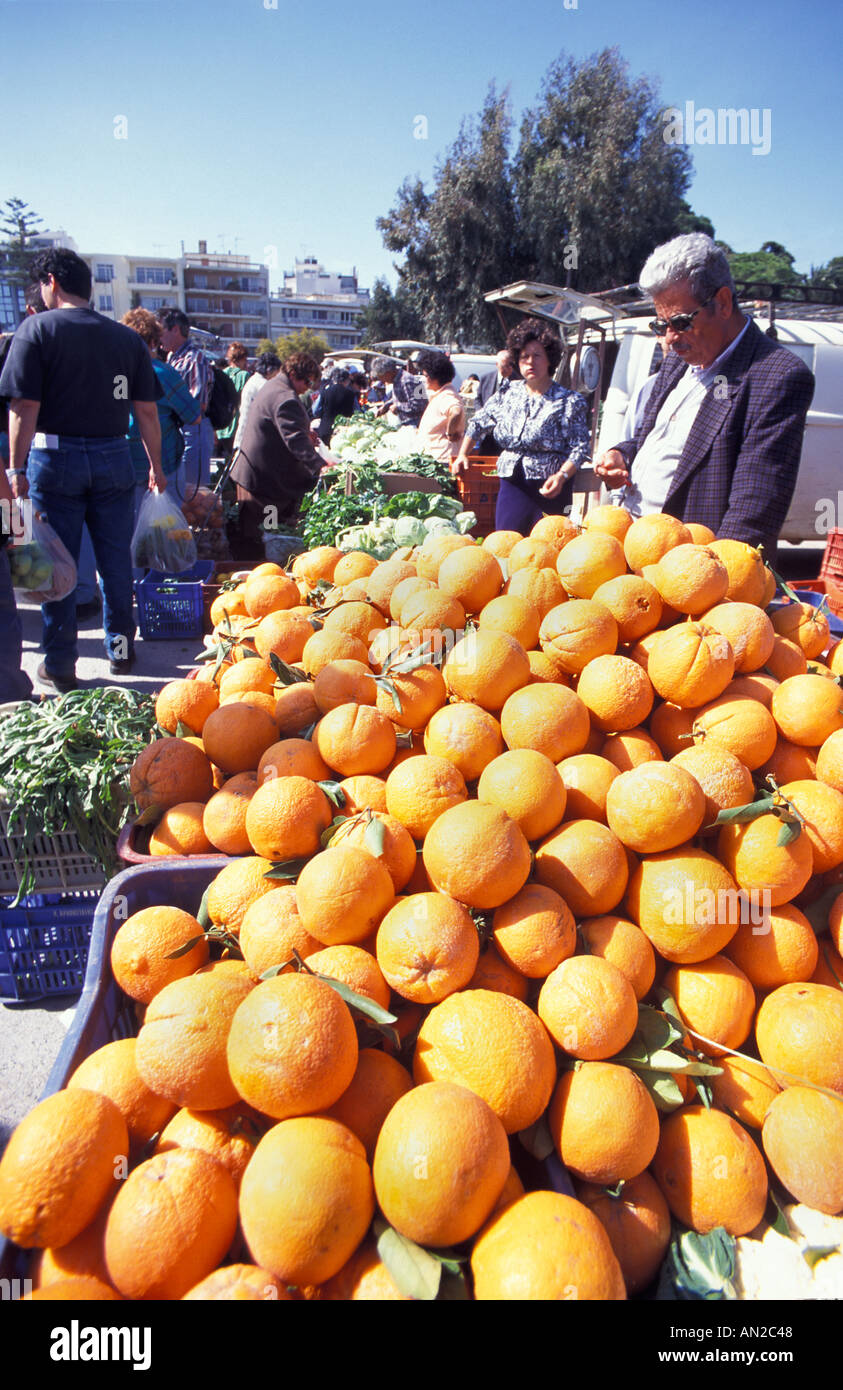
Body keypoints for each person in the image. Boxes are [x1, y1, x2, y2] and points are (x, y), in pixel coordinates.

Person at [0, 247, 165, 690]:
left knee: (54, 563)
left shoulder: (35, 330)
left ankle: (59, 666)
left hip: (55, 460)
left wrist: (14, 472)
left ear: (51, 281)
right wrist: (157, 468)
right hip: (114, 455)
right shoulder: (125, 339)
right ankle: (121, 652)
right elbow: (146, 411)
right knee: (114, 561)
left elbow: (24, 405)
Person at [595, 233, 816, 558]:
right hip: (632, 556)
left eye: (681, 322)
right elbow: (652, 440)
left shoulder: (777, 377)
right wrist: (623, 455)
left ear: (723, 303)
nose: (670, 339)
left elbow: (752, 516)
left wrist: (705, 589)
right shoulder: (679, 359)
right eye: (661, 325)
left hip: (689, 574)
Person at [452, 318, 590, 535]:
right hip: (512, 485)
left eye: (537, 355)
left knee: (549, 548)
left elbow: (580, 448)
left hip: (552, 489)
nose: (530, 362)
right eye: (524, 356)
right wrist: (463, 454)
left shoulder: (569, 401)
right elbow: (479, 422)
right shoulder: (507, 393)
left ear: (549, 360)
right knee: (507, 543)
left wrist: (562, 477)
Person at [229, 353, 323, 558]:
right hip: (264, 486)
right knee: (267, 533)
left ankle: (257, 565)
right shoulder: (285, 397)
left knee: (262, 533)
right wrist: (320, 465)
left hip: (258, 477)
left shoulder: (274, 387)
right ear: (292, 374)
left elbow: (285, 429)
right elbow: (294, 438)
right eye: (306, 381)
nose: (308, 387)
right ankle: (258, 571)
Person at [121, 309, 200, 512]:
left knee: (132, 531)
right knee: (165, 530)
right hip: (162, 464)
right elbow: (194, 416)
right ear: (154, 341)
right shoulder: (163, 374)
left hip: (126, 464)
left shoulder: (118, 375)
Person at [158, 308, 215, 500]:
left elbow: (199, 405)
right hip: (178, 432)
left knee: (194, 496)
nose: (158, 337)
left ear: (175, 330)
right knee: (178, 493)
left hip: (193, 430)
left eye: (161, 330)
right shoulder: (171, 359)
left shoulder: (195, 359)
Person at [415, 351, 466, 464]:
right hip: (437, 457)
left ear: (435, 377)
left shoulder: (447, 395)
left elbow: (456, 412)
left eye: (426, 375)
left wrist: (450, 433)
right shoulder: (441, 393)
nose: (424, 379)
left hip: (442, 459)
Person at [233, 351, 281, 453]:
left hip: (244, 435)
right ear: (269, 370)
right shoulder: (263, 385)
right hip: (252, 439)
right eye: (277, 372)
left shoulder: (252, 381)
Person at [215, 342, 250, 459]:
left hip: (221, 427)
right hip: (236, 425)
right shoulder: (244, 375)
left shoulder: (221, 374)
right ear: (242, 358)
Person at [371, 356, 427, 427]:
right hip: (406, 424)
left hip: (415, 425)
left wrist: (397, 407)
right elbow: (402, 397)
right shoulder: (397, 380)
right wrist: (387, 406)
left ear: (388, 372)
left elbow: (419, 405)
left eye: (381, 377)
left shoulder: (407, 381)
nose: (382, 381)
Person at [317, 368, 357, 444]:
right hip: (344, 432)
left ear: (333, 379)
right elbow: (357, 411)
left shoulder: (324, 392)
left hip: (325, 430)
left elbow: (316, 410)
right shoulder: (351, 394)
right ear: (347, 381)